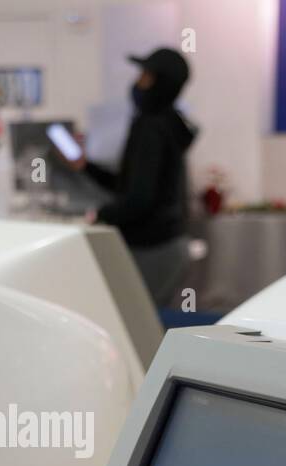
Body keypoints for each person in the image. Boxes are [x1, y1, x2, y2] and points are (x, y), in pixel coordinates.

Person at [74, 48, 197, 307]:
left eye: (145, 76)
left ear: (160, 83)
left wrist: (100, 215)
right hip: (163, 246)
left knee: (137, 325)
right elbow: (129, 186)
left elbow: (140, 199)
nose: (137, 82)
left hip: (153, 248)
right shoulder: (168, 123)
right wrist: (86, 166)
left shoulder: (153, 127)